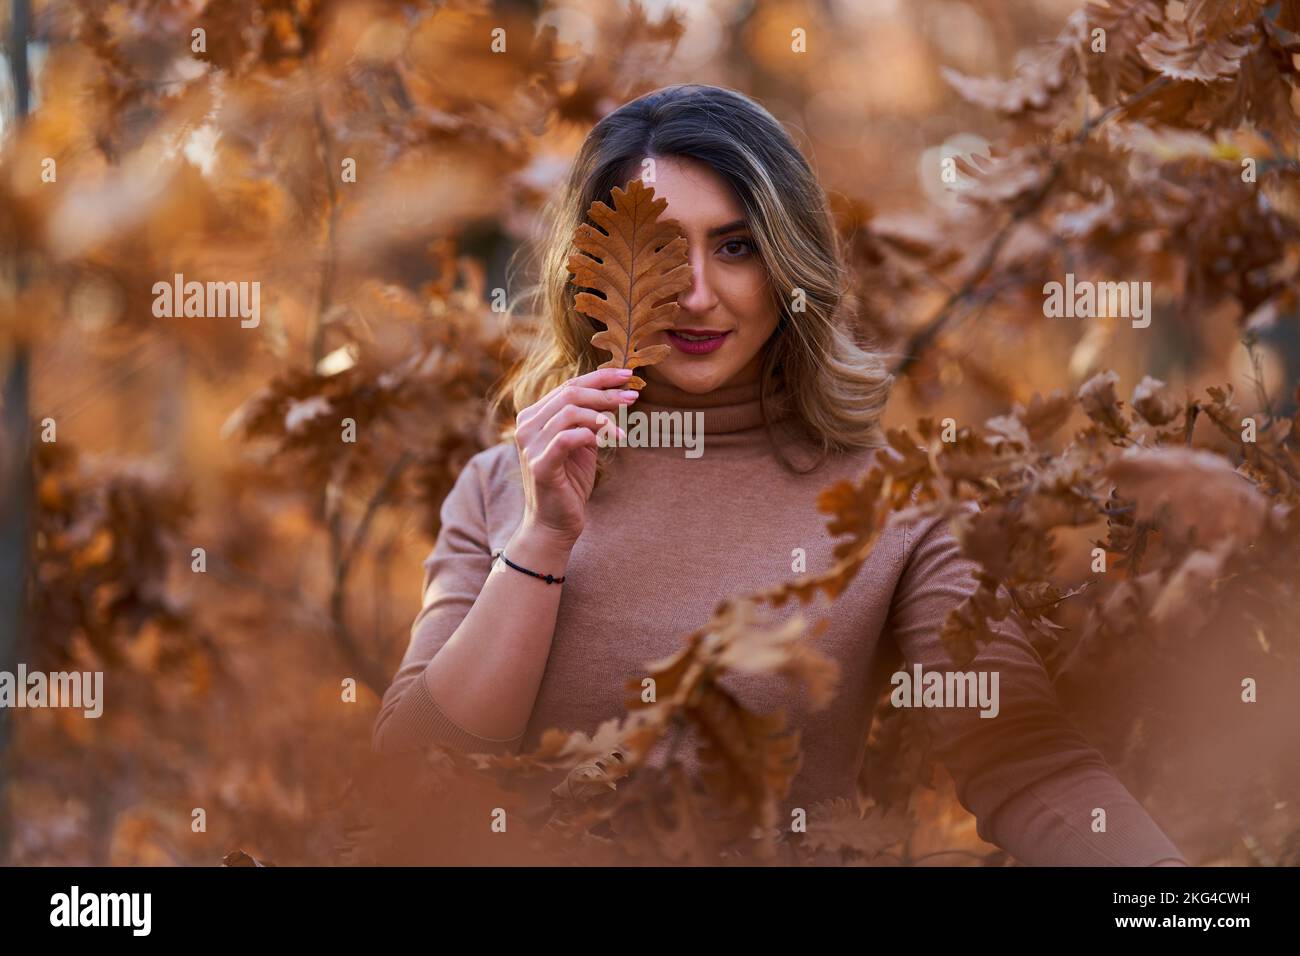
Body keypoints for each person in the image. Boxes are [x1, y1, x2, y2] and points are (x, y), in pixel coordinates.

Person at [372, 84, 1186, 867]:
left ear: (789, 262)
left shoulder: (896, 498)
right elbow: (412, 783)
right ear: (591, 272)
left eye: (737, 247)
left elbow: (1028, 765)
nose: (695, 294)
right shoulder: (504, 485)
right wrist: (545, 538)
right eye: (655, 250)